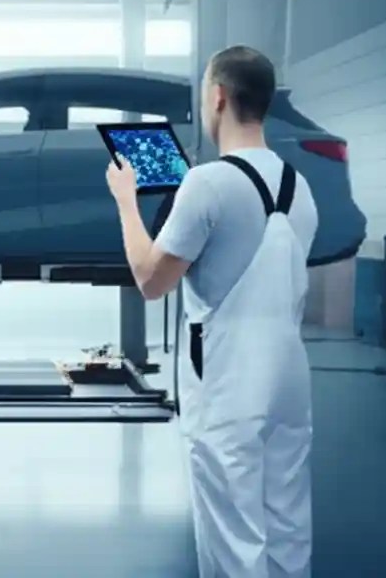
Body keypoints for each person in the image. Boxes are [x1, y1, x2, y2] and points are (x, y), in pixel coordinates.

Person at [104, 45, 318, 577]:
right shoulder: (301, 187)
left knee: (232, 534)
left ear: (218, 96)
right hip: (290, 379)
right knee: (288, 526)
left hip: (228, 381)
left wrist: (127, 202)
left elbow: (151, 280)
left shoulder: (205, 184)